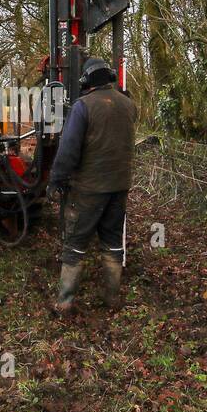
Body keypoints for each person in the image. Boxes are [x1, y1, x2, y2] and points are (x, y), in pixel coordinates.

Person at [47, 56, 137, 314]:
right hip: (119, 187)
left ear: (85, 81)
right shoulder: (129, 105)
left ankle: (64, 303)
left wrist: (56, 179)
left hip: (89, 189)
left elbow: (68, 150)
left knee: (75, 244)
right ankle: (111, 298)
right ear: (109, 77)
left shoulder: (82, 107)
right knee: (112, 242)